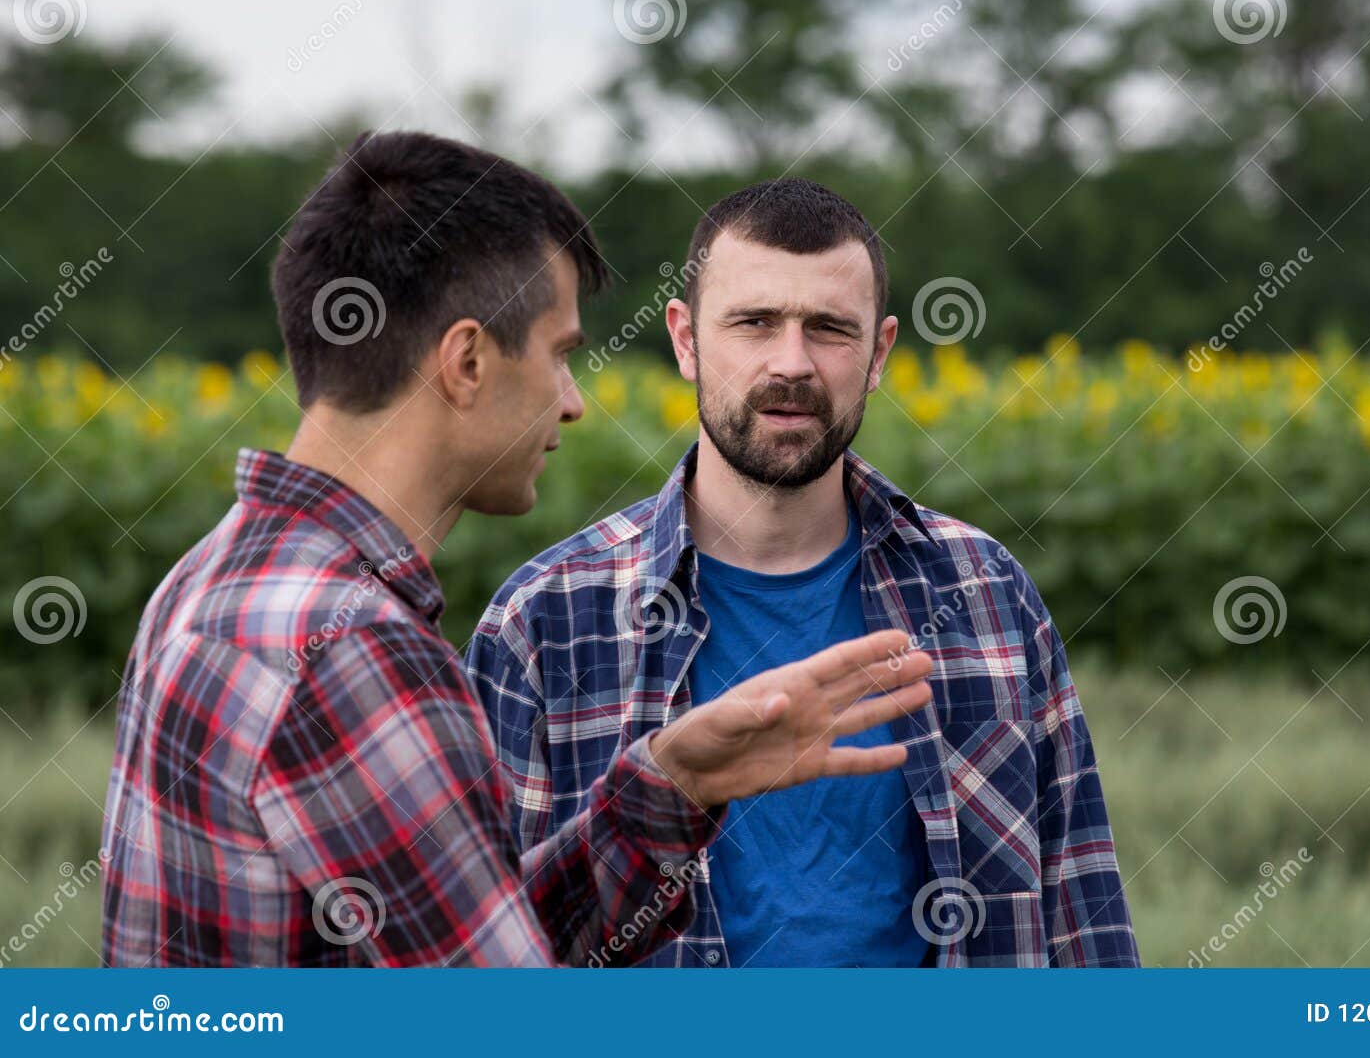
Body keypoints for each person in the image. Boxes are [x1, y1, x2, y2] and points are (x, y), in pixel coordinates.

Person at [99, 134, 932, 967]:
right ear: (466, 361)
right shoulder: (356, 652)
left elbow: (458, 947)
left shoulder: (214, 577)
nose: (571, 401)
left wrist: (669, 783)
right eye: (560, 353)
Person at [469, 177, 1139, 967]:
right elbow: (480, 965)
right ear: (684, 340)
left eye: (829, 328)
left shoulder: (984, 593)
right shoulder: (548, 623)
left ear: (880, 351)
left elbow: (1081, 916)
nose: (792, 363)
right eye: (754, 323)